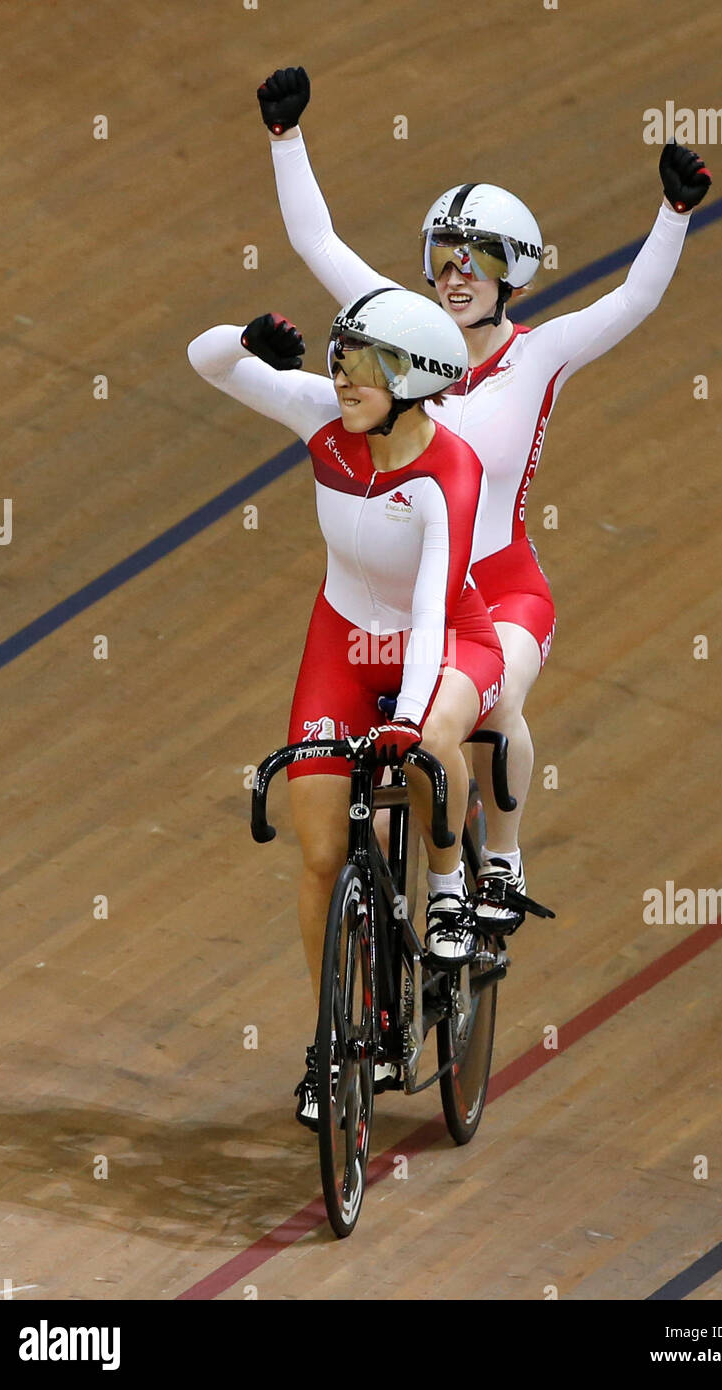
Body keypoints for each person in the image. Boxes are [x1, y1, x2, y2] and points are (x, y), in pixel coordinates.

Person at [256, 66, 712, 927]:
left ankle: (498, 856)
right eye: (442, 258)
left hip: (498, 589)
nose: (456, 275)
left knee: (486, 706)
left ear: (518, 275)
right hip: (402, 587)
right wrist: (287, 141)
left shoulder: (540, 355)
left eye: (480, 260)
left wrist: (671, 216)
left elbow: (636, 298)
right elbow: (318, 244)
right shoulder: (392, 322)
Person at [187, 287, 505, 1127]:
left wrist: (406, 717)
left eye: (361, 364)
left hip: (442, 640)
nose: (341, 377)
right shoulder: (324, 419)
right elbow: (206, 362)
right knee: (323, 849)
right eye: (338, 358)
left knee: (435, 738)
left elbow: (434, 608)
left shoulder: (451, 469)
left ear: (414, 377)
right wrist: (243, 335)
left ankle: (445, 891)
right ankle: (333, 1039)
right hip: (342, 642)